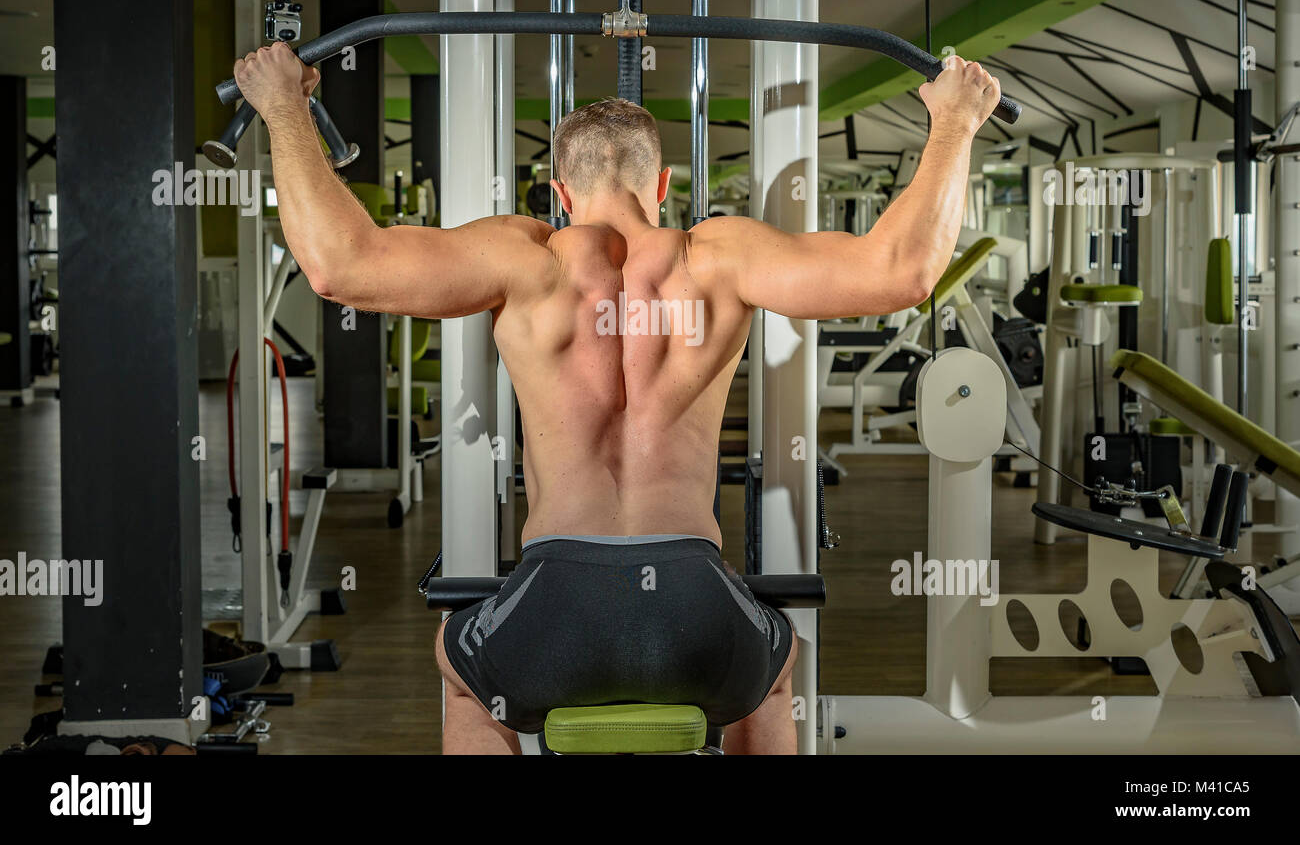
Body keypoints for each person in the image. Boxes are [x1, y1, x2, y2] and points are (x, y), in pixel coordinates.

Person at [232, 42, 1001, 754]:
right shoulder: (720, 257)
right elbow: (900, 272)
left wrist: (283, 111)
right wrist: (956, 124)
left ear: (561, 193)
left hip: (554, 606)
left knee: (462, 673)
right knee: (772, 667)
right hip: (696, 607)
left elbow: (340, 266)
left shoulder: (523, 258)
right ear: (662, 186)